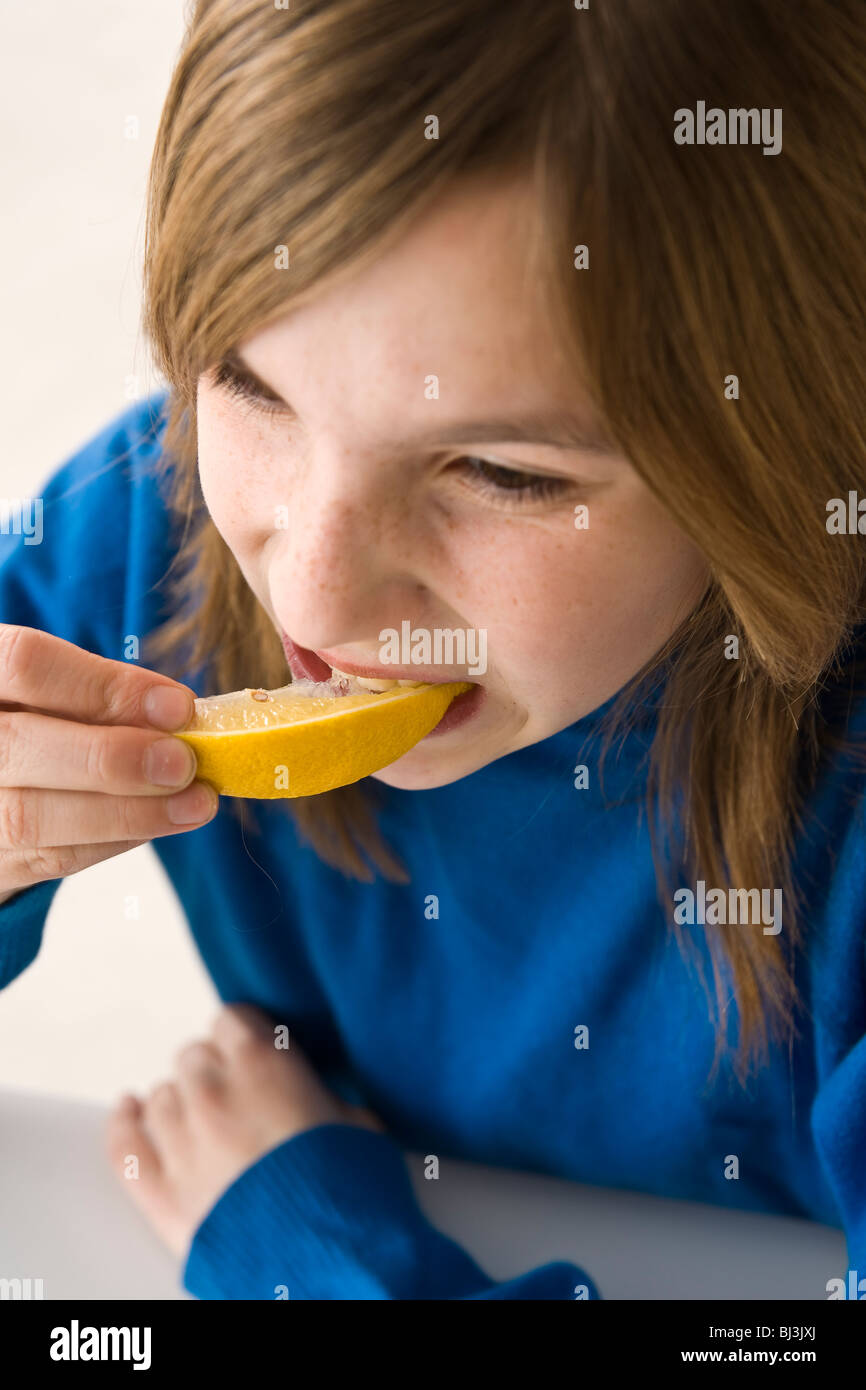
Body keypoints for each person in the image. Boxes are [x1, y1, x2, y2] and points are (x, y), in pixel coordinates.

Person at [1, 0, 864, 1300]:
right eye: (245, 382)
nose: (313, 588)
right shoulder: (141, 536)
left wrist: (327, 1265)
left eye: (498, 471)